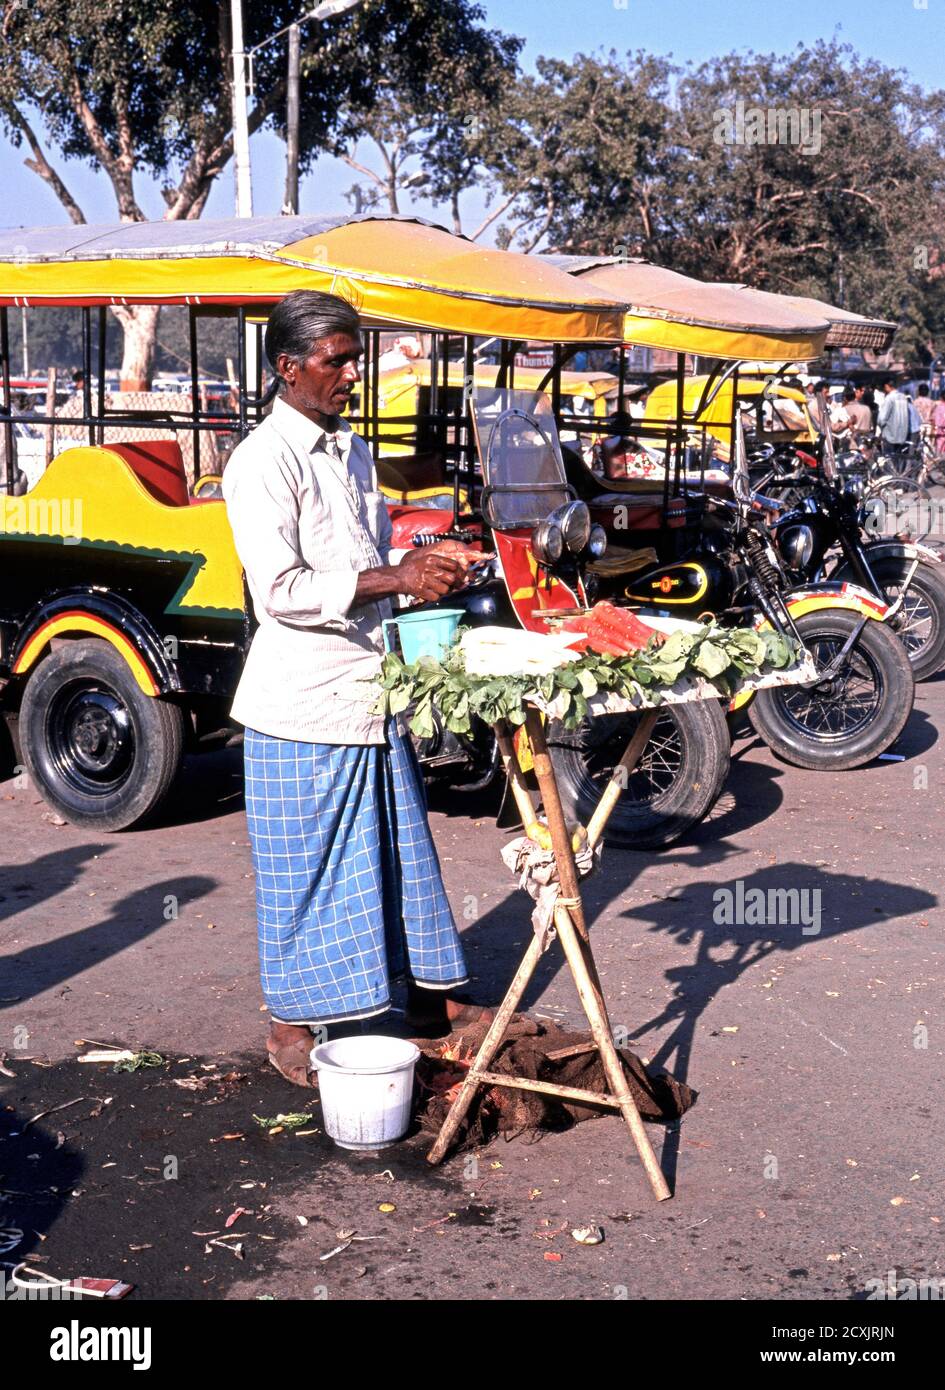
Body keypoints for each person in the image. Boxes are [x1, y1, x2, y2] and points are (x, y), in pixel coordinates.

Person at [222, 290, 484, 1087]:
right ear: (286, 367)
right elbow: (283, 590)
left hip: (368, 693)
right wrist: (393, 576)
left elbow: (365, 558)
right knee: (300, 872)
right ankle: (290, 1025)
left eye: (352, 360)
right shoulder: (260, 462)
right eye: (335, 361)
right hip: (299, 706)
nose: (349, 375)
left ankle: (428, 1001)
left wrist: (422, 571)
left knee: (399, 856)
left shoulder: (351, 451)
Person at [876, 378, 911, 449]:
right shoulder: (903, 397)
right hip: (902, 435)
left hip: (890, 435)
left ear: (886, 386)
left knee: (889, 458)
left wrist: (881, 428)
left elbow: (881, 419)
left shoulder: (889, 398)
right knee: (899, 458)